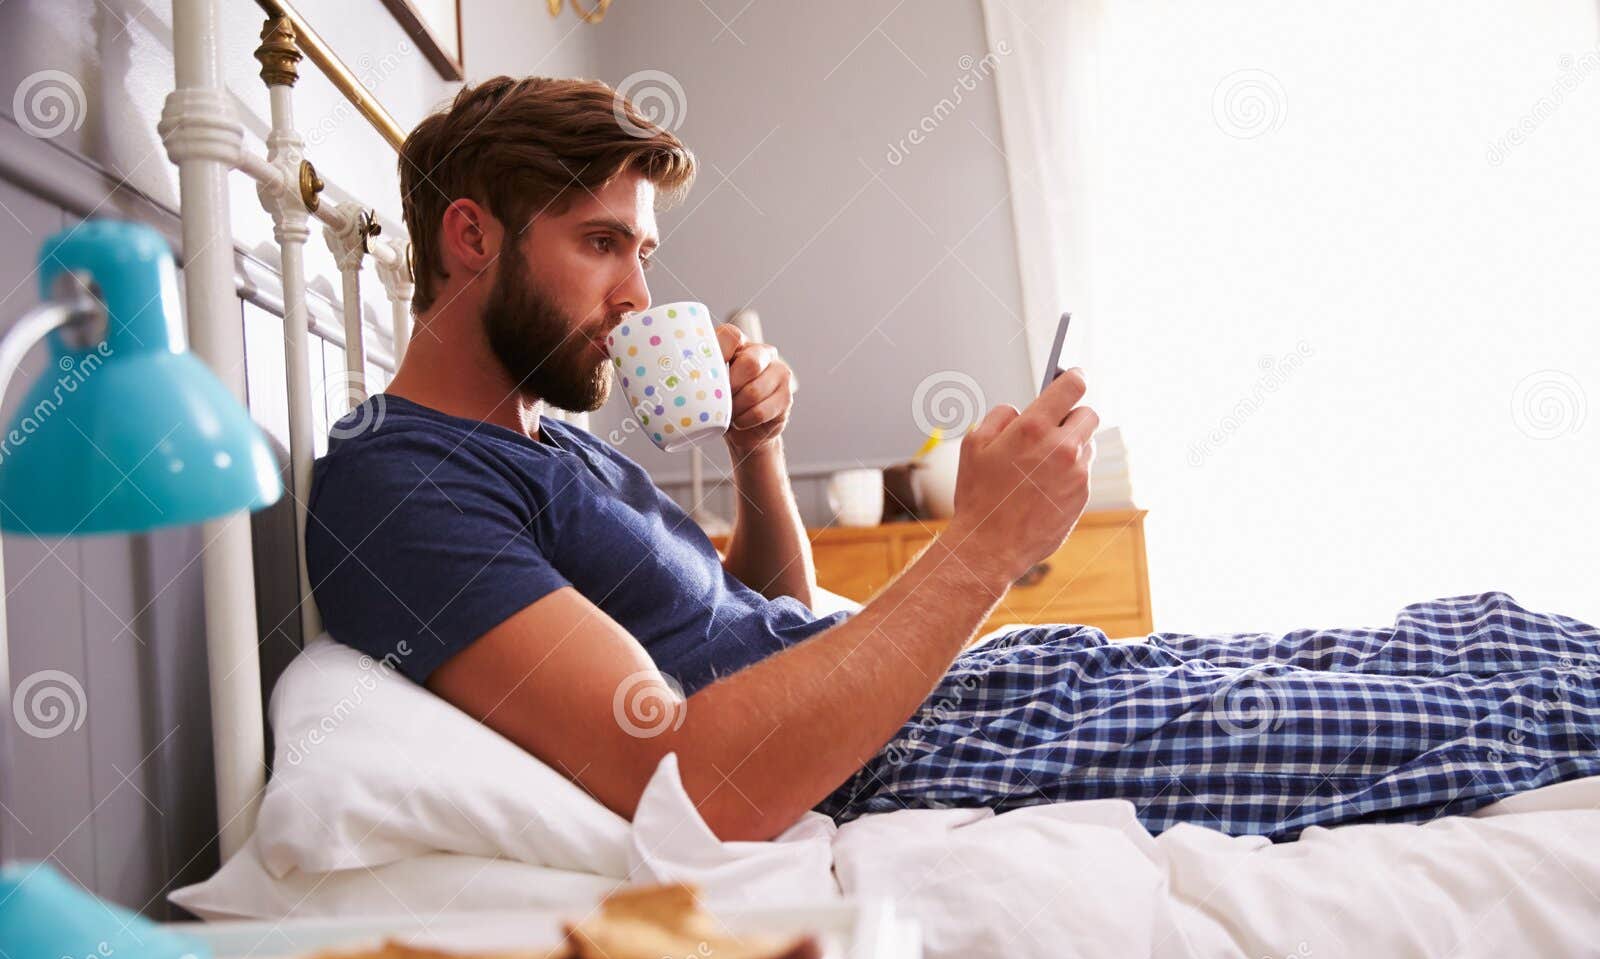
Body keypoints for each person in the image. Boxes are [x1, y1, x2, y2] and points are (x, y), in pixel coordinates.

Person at [306, 76, 1600, 843]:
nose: (642, 296)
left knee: (1478, 638)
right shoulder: (399, 483)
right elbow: (695, 780)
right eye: (604, 244)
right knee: (1441, 720)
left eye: (643, 251)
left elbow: (761, 604)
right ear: (469, 239)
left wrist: (762, 455)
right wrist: (980, 549)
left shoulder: (548, 443)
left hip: (927, 690)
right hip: (907, 757)